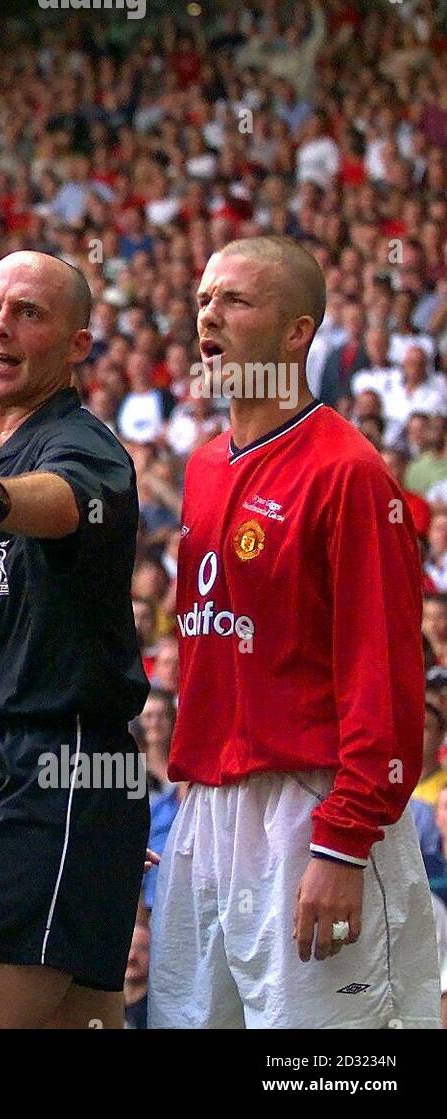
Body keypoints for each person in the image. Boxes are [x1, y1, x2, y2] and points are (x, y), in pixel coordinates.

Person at [150, 235, 440, 1028]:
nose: (208, 314)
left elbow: (383, 672)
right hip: (209, 809)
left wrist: (342, 842)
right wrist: (192, 821)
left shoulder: (348, 471)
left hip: (314, 809)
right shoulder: (206, 467)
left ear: (296, 332)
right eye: (204, 298)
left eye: (235, 300)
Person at [0, 251, 151, 1028]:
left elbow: (67, 502)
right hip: (13, 781)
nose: (0, 326)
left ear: (78, 344)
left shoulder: (79, 444)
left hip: (52, 772)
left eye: (29, 312)